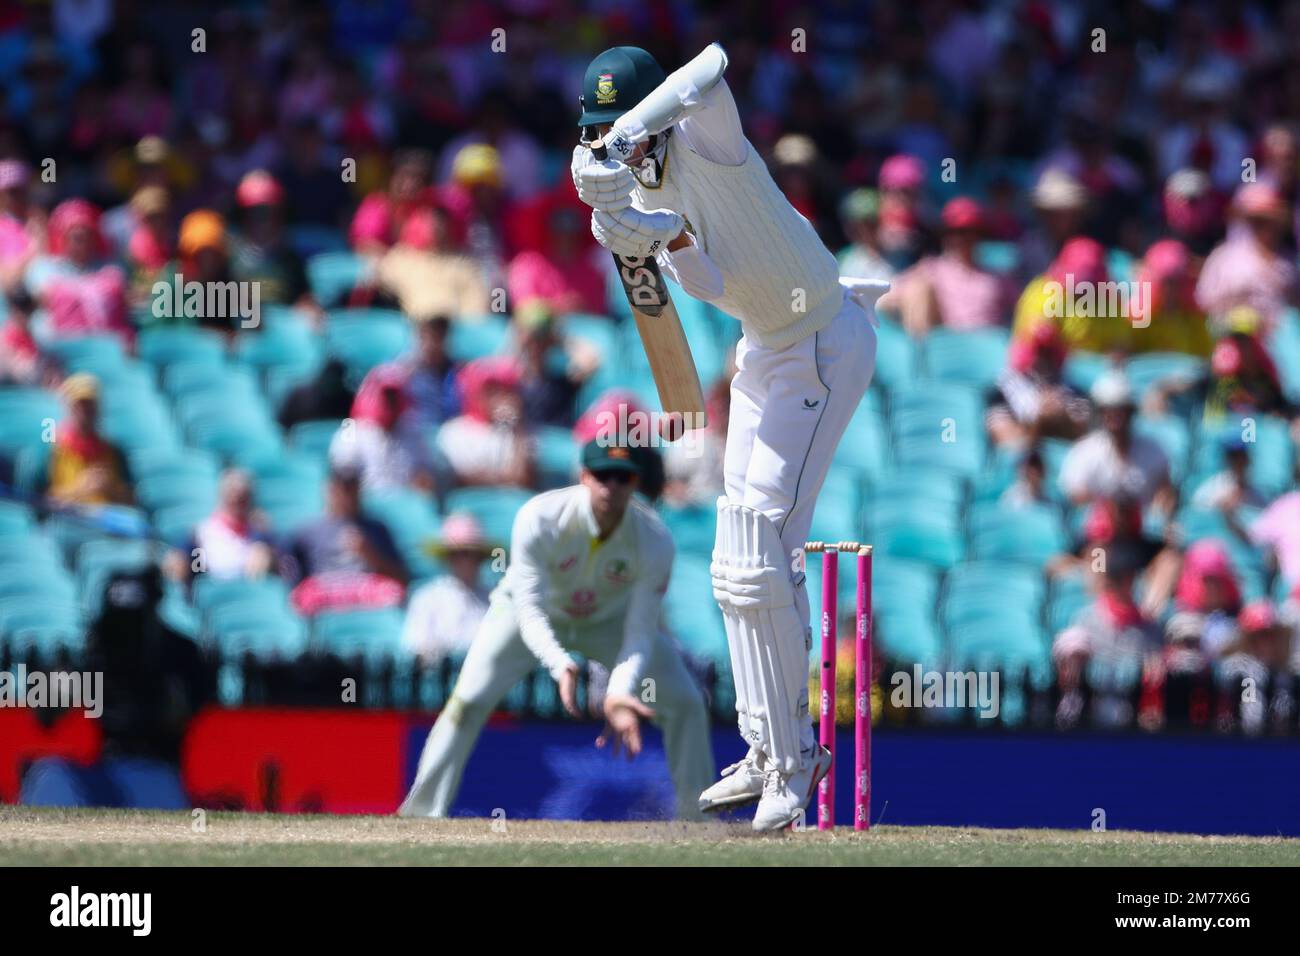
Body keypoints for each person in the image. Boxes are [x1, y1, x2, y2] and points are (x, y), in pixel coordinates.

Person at [571, 44, 887, 829]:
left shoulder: (705, 133)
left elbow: (708, 65)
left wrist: (618, 142)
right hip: (762, 349)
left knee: (766, 553)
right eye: (600, 131)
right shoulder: (644, 182)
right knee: (733, 563)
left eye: (623, 127)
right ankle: (766, 745)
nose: (619, 141)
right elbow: (711, 284)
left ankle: (796, 755)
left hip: (821, 342)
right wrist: (652, 232)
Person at [398, 439, 714, 820]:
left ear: (634, 483)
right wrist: (558, 662)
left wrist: (617, 693)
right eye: (602, 475)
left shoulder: (655, 539)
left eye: (622, 477)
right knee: (467, 701)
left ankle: (697, 821)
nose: (611, 486)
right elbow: (529, 607)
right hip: (526, 616)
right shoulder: (540, 516)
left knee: (686, 702)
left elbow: (641, 630)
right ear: (584, 477)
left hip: (606, 622)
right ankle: (421, 814)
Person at [284, 465, 409, 615]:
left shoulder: (376, 529)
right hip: (325, 595)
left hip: (366, 596)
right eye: (341, 489)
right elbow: (291, 577)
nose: (346, 496)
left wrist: (370, 554)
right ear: (329, 490)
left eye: (351, 489)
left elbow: (401, 578)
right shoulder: (307, 533)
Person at [1058, 372, 1173, 514]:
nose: (1115, 417)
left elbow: (1165, 492)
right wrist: (1112, 511)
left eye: (1121, 410)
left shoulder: (1153, 450)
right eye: (1108, 411)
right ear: (1099, 413)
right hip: (1097, 531)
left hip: (1142, 530)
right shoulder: (1084, 452)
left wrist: (1160, 510)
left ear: (1131, 412)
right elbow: (1076, 497)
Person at [329, 364, 438, 493]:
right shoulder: (350, 427)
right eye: (386, 395)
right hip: (367, 505)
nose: (390, 402)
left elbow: (425, 476)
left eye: (394, 396)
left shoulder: (413, 431)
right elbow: (342, 478)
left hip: (402, 503)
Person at [400, 513, 493, 664]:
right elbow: (414, 649)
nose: (465, 561)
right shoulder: (426, 597)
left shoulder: (495, 599)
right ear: (448, 557)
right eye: (457, 554)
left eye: (471, 554)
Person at [166, 469, 277, 586]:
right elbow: (181, 561)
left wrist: (267, 555)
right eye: (232, 496)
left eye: (243, 498)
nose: (237, 502)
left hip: (247, 591)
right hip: (210, 593)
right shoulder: (201, 534)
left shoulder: (258, 535)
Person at [47, 373, 132, 507]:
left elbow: (132, 501)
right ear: (68, 407)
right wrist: (81, 489)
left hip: (107, 523)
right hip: (68, 523)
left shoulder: (113, 451)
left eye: (90, 405)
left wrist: (110, 488)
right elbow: (39, 503)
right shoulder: (52, 450)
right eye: (80, 404)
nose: (85, 411)